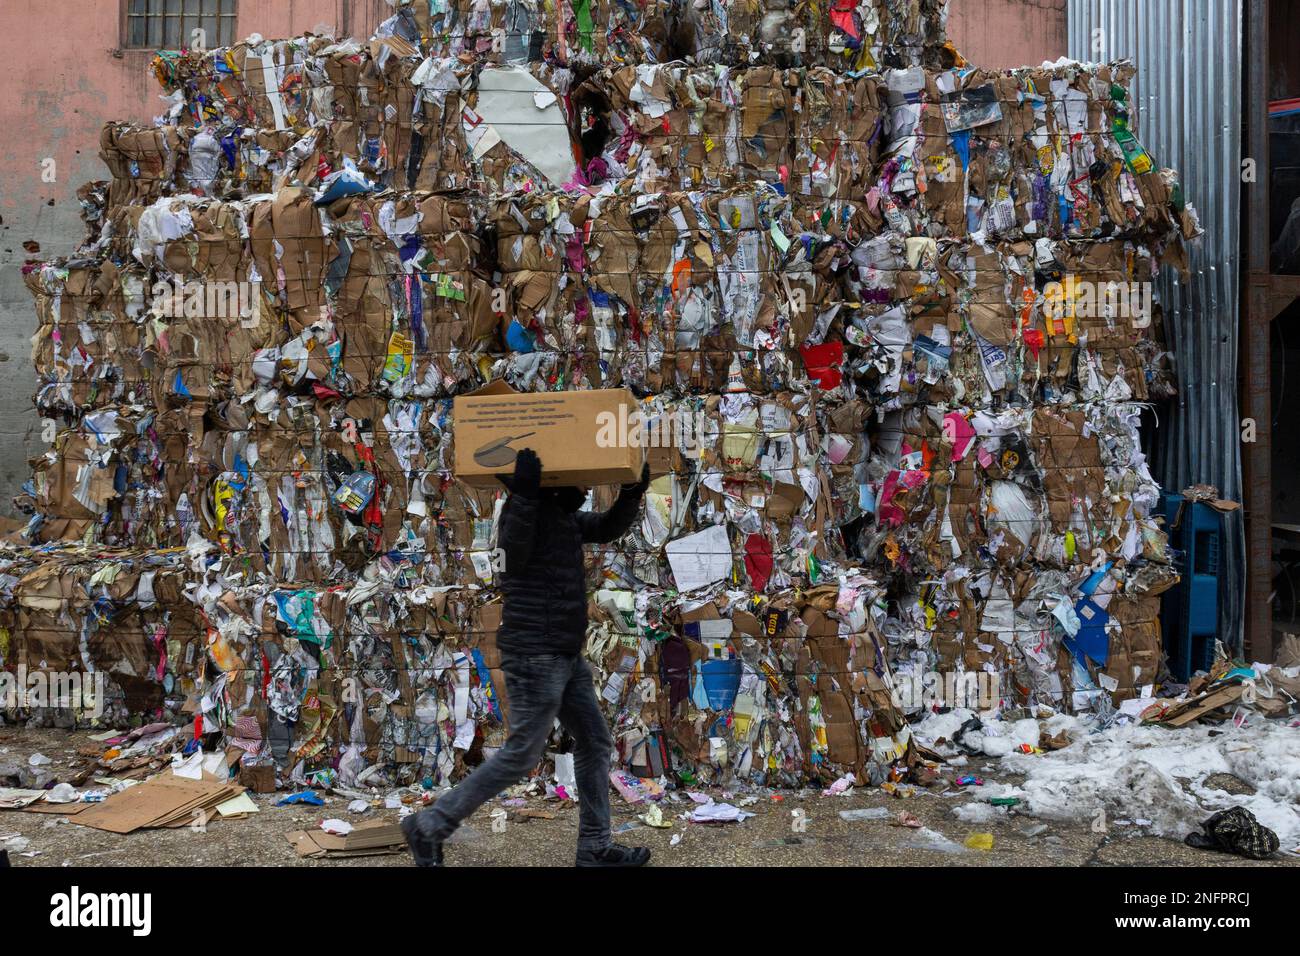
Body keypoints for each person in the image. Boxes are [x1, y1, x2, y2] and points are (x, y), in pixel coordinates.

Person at [403, 448, 652, 867]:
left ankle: (594, 849)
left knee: (594, 741)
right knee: (522, 754)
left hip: (563, 654)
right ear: (553, 482)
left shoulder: (562, 518)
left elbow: (607, 527)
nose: (587, 487)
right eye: (580, 480)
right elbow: (513, 555)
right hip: (535, 654)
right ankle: (429, 825)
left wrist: (631, 493)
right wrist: (524, 493)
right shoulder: (524, 511)